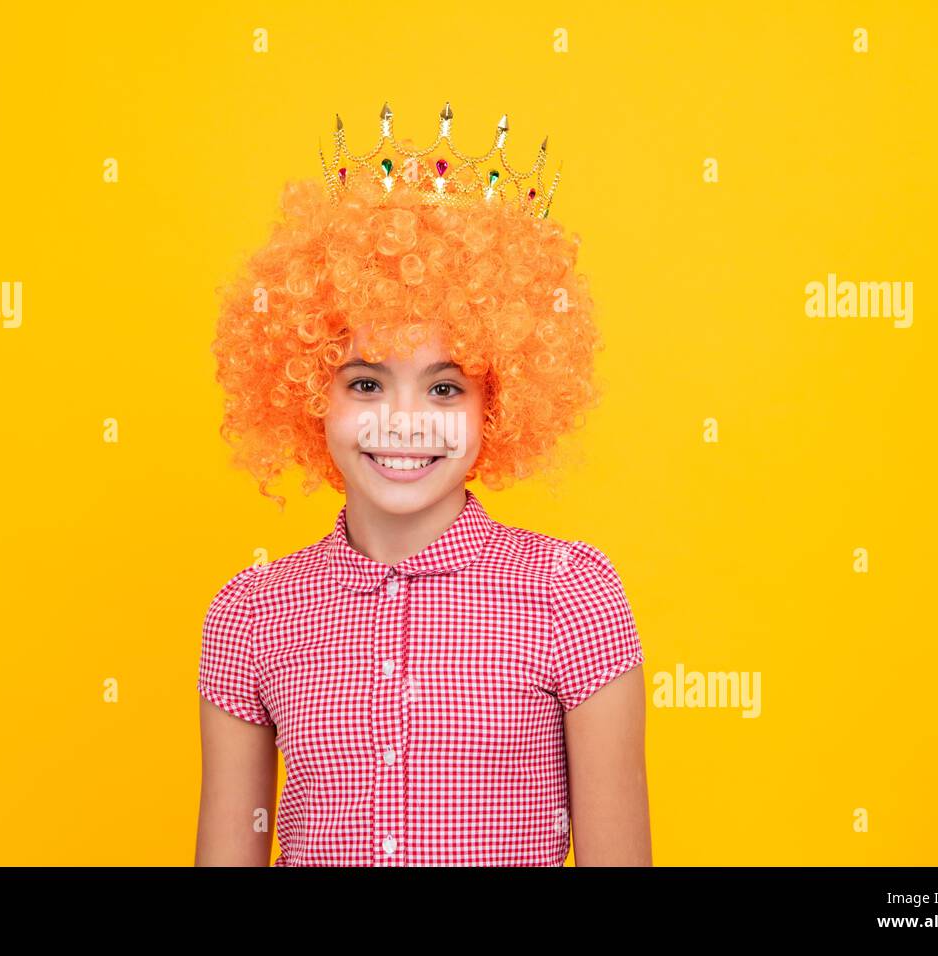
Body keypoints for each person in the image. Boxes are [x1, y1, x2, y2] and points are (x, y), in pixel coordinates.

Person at [195, 104, 649, 866]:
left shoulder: (573, 595)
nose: (406, 423)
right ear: (310, 396)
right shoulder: (250, 616)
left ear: (496, 403)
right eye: (366, 384)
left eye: (445, 390)